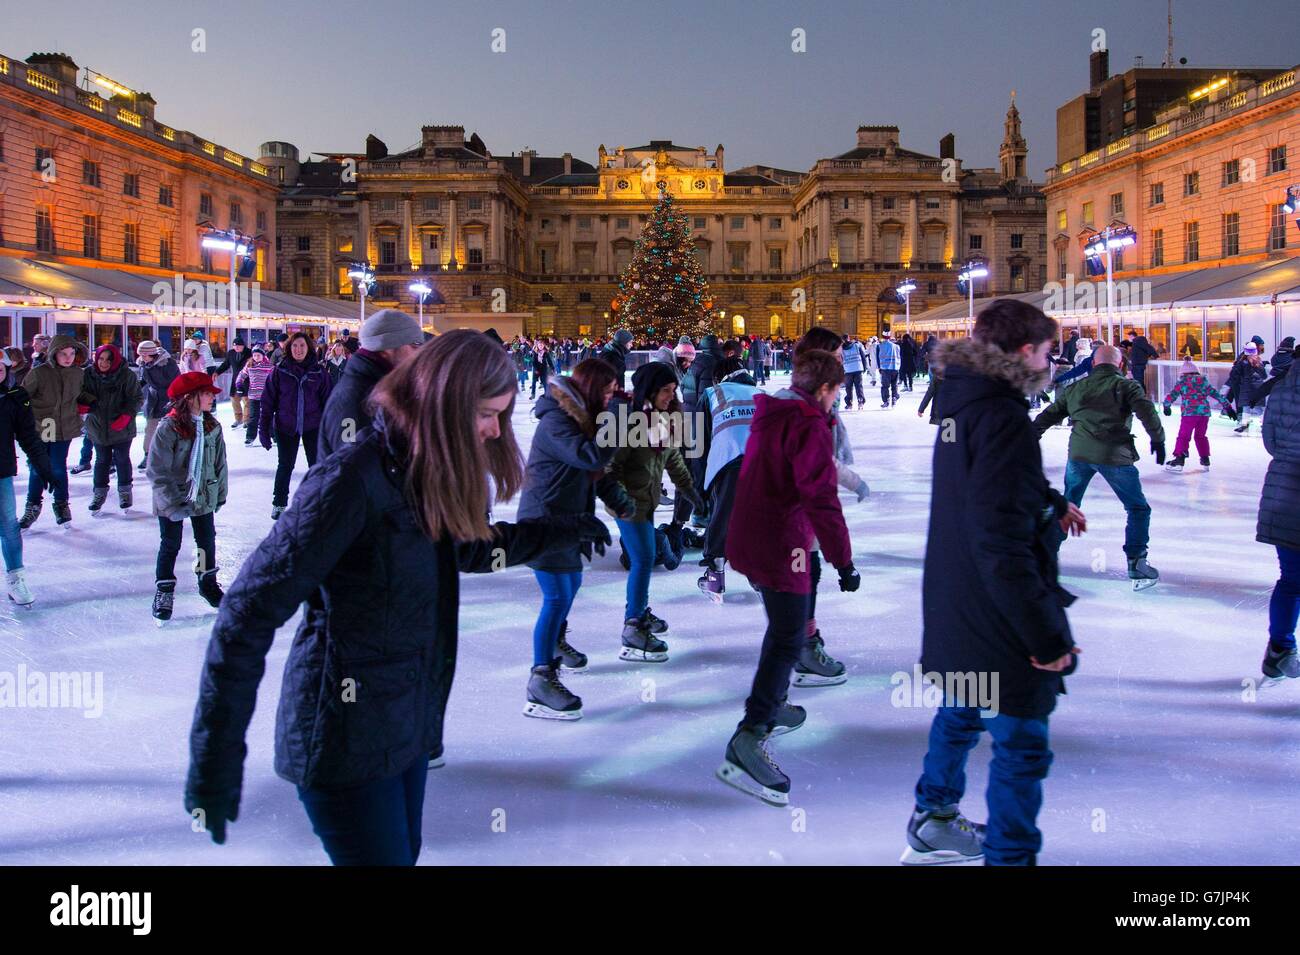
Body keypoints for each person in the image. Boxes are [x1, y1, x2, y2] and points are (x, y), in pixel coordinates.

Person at [184, 330, 610, 865]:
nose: (494, 430)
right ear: (442, 401)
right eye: (485, 414)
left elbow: (469, 551)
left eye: (501, 415)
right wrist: (215, 755)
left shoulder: (420, 472)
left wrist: (558, 530)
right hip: (343, 738)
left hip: (407, 724)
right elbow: (248, 611)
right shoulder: (350, 480)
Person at [904, 298, 1083, 866]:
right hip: (998, 619)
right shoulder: (1003, 416)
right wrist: (1047, 638)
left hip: (958, 601)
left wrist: (1048, 500)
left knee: (961, 708)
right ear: (1026, 351)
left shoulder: (962, 404)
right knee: (1021, 748)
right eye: (1049, 351)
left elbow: (979, 490)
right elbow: (1000, 544)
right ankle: (1009, 858)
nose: (1052, 362)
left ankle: (933, 814)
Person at [717, 349, 858, 806]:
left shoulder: (773, 412)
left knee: (782, 630)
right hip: (784, 544)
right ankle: (749, 736)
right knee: (788, 634)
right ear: (824, 389)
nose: (836, 400)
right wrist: (843, 561)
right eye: (835, 391)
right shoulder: (808, 424)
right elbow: (820, 498)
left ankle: (772, 704)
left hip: (751, 533)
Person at [518, 359, 632, 718]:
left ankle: (555, 641)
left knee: (570, 586)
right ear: (591, 389)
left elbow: (595, 473)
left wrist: (616, 500)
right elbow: (592, 456)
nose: (613, 396)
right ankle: (540, 678)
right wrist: (617, 417)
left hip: (567, 518)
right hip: (544, 519)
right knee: (555, 596)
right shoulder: (556, 421)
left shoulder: (579, 420)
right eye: (608, 391)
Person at [1033, 343, 1165, 590]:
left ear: (1093, 364)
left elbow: (1050, 413)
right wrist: (1158, 439)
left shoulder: (1077, 387)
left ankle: (1045, 555)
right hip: (1115, 457)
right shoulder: (1126, 386)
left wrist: (1033, 434)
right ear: (1121, 364)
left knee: (1069, 502)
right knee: (1137, 508)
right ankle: (1137, 562)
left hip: (1080, 455)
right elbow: (1147, 411)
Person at [607, 361, 705, 661]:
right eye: (665, 390)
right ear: (649, 390)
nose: (670, 396)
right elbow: (611, 467)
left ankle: (638, 613)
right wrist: (621, 502)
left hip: (645, 500)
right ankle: (633, 625)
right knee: (644, 558)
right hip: (628, 503)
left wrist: (689, 491)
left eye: (673, 390)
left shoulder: (660, 418)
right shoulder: (628, 420)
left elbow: (673, 459)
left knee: (644, 557)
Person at [146, 373, 228, 621]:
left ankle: (207, 583)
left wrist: (220, 492)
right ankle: (164, 589)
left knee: (206, 542)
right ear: (189, 398)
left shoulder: (212, 427)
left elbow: (219, 463)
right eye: (206, 393)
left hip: (203, 494)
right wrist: (171, 503)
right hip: (171, 497)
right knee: (171, 543)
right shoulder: (168, 427)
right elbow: (157, 470)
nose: (212, 398)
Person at [319, 309, 424, 459]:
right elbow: (348, 468)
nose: (418, 353)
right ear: (389, 348)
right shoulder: (352, 398)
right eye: (414, 345)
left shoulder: (386, 387)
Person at [697, 356, 758, 601]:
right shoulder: (761, 392)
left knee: (721, 517)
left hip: (728, 462)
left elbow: (698, 444)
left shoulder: (712, 394)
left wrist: (700, 487)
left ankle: (715, 577)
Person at [0, 348, 57, 605]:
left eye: (0, 369)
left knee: (8, 526)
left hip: (1, 471)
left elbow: (28, 436)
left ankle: (16, 578)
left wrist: (44, 465)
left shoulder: (14, 397)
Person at [1256, 354, 1300, 679]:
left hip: (1282, 491)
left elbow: (1270, 441)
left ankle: (1279, 649)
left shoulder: (1282, 388)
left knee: (1291, 579)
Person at [260, 332, 332, 520]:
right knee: (285, 465)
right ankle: (279, 502)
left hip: (313, 425)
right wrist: (264, 429)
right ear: (288, 348)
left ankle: (318, 501)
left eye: (302, 346)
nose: (298, 350)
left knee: (316, 466)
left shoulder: (319, 372)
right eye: (294, 346)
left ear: (309, 348)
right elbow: (268, 402)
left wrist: (330, 431)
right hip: (286, 425)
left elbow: (328, 403)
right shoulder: (279, 371)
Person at [19, 335, 88, 529]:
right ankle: (32, 506)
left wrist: (87, 404)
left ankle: (61, 504)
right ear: (53, 353)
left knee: (58, 466)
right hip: (44, 425)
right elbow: (24, 396)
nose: (68, 358)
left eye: (72, 353)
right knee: (39, 467)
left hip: (65, 426)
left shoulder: (77, 373)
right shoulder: (39, 373)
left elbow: (82, 394)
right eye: (63, 354)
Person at [81, 343, 143, 514]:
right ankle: (99, 493)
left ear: (115, 360)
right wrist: (85, 404)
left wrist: (127, 415)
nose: (104, 363)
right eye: (101, 358)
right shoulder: (88, 374)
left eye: (108, 359)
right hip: (98, 426)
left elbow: (137, 398)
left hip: (121, 427)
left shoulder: (126, 375)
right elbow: (80, 392)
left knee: (122, 459)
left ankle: (125, 491)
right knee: (102, 461)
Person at [1161, 358, 1237, 472]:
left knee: (1184, 436)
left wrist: (1166, 406)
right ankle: (1205, 458)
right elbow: (1216, 394)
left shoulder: (1182, 382)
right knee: (1200, 436)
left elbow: (1172, 395)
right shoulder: (1203, 381)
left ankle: (1179, 459)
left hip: (1189, 414)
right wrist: (1228, 407)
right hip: (1204, 414)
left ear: (1183, 372)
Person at [136, 340, 180, 472]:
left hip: (169, 399)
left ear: (152, 354)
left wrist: (175, 400)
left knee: (170, 430)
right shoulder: (144, 364)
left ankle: (173, 456)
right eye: (141, 355)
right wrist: (135, 388)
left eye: (144, 355)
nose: (141, 358)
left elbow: (177, 382)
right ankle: (148, 455)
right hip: (153, 401)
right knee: (150, 429)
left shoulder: (167, 363)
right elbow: (144, 380)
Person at [1227, 342, 1269, 434]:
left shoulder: (1242, 362)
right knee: (1258, 408)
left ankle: (1245, 425)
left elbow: (1234, 374)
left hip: (1246, 387)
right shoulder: (1259, 362)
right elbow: (1264, 376)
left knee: (1247, 407)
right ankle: (1264, 424)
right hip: (1258, 388)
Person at [236, 346, 274, 448]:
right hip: (253, 396)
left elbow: (275, 378)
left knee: (269, 416)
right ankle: (250, 437)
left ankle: (274, 435)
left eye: (258, 355)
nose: (256, 357)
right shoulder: (249, 365)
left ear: (263, 356)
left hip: (266, 396)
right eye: (254, 355)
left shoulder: (269, 366)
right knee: (253, 417)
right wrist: (239, 384)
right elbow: (241, 375)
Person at [211, 338, 252, 430]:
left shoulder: (250, 353)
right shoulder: (231, 353)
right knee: (234, 399)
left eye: (238, 346)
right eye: (234, 346)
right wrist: (217, 372)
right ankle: (238, 419)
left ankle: (246, 420)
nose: (236, 347)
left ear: (243, 346)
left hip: (247, 380)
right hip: (235, 380)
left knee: (247, 401)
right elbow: (226, 364)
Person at [1125, 329, 1159, 398]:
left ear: (1132, 336)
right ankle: (1141, 395)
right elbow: (1144, 350)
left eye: (1129, 337)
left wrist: (1155, 356)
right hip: (1137, 364)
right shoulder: (1136, 342)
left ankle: (1141, 396)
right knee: (1138, 380)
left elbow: (1148, 348)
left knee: (1139, 380)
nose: (1128, 338)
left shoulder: (1138, 341)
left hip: (1138, 365)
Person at [876, 331, 901, 407]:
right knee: (894, 385)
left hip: (885, 368)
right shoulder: (896, 346)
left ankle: (886, 401)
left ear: (883, 336)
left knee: (885, 386)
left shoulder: (879, 346)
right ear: (890, 337)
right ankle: (894, 398)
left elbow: (878, 358)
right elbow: (899, 357)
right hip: (895, 368)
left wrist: (879, 367)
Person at [840, 335, 866, 410]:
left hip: (848, 370)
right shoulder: (857, 346)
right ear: (849, 338)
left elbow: (840, 361)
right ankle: (860, 402)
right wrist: (864, 367)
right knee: (859, 386)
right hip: (858, 368)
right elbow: (863, 357)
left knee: (848, 387)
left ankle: (849, 403)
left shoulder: (841, 349)